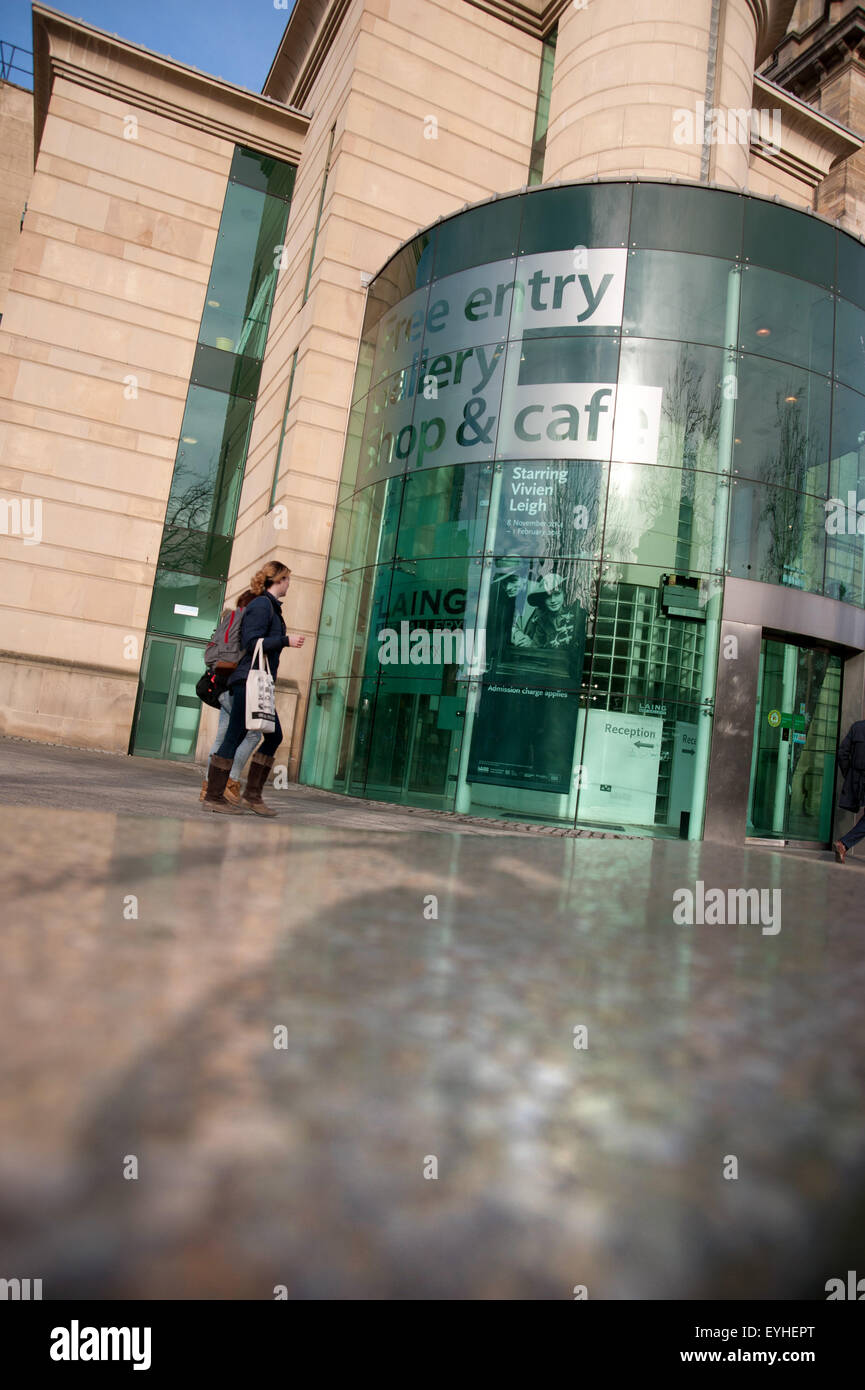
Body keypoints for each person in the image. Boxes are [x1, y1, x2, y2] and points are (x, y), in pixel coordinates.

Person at [201, 560, 305, 817]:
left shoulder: (271, 607)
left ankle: (251, 795)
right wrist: (285, 641)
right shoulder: (261, 605)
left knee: (272, 735)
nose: (289, 584)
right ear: (278, 579)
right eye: (287, 579)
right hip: (248, 680)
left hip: (258, 682)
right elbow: (251, 640)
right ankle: (215, 795)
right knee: (235, 736)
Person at [199, 592, 261, 805]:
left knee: (222, 737)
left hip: (223, 684)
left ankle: (208, 785)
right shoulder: (246, 619)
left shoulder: (229, 618)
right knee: (253, 734)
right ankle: (229, 782)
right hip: (236, 684)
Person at [833, 716, 865, 862]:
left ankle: (844, 844)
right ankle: (844, 844)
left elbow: (842, 753)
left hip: (856, 780)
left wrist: (850, 775)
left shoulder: (857, 727)